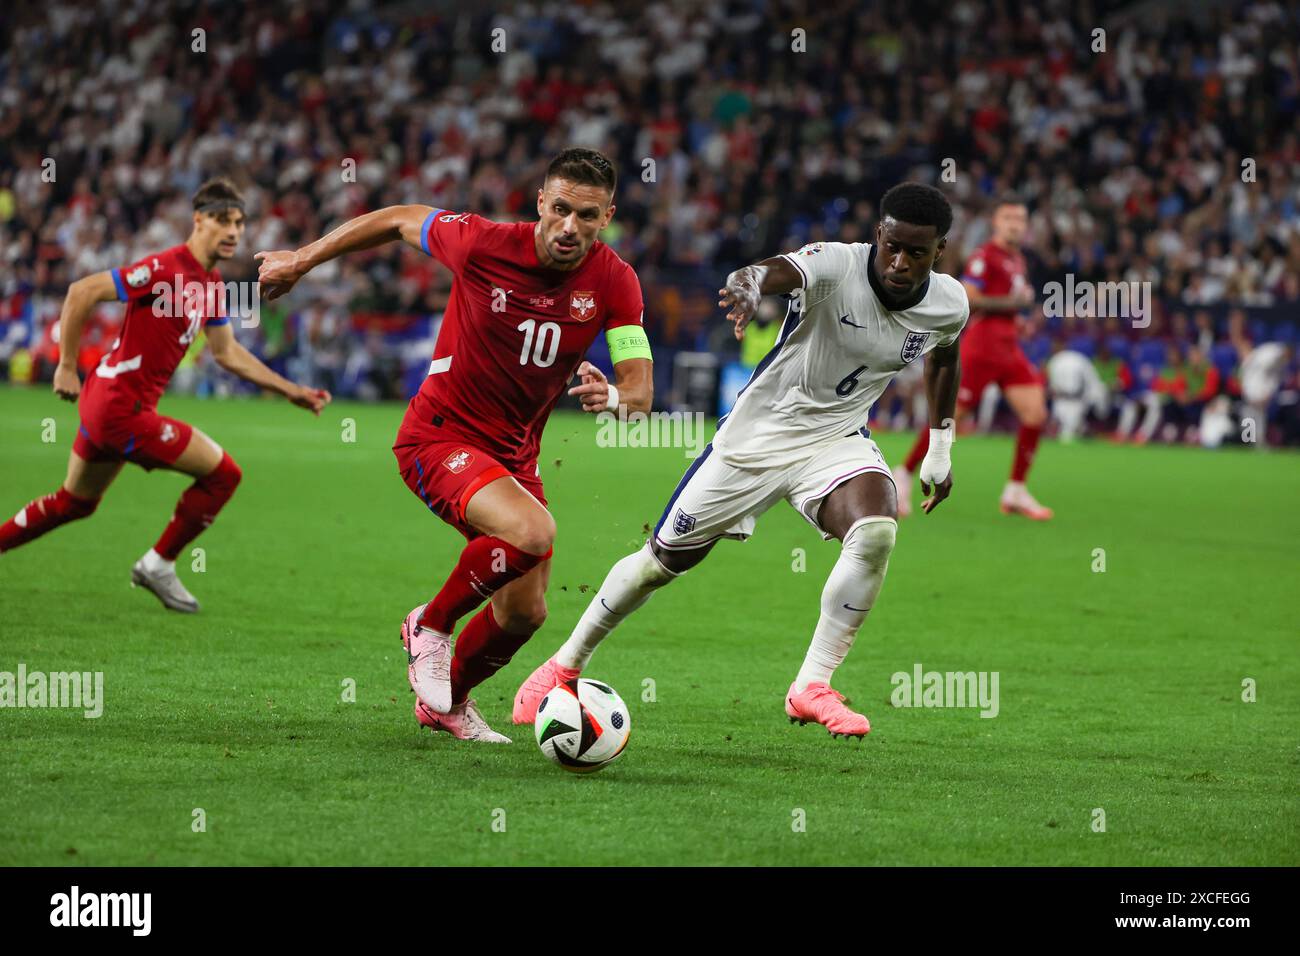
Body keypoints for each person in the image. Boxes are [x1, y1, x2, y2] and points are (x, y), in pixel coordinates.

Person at [513, 183, 968, 739]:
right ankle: (564, 664)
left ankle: (812, 686)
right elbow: (769, 271)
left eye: (916, 253)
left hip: (835, 439)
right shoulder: (835, 265)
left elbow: (946, 358)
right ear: (878, 234)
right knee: (660, 564)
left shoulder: (949, 303)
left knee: (876, 531)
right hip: (754, 441)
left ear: (938, 251)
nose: (899, 262)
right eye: (891, 245)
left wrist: (940, 449)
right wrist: (748, 286)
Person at [256, 148, 654, 743]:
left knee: (525, 612)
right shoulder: (480, 241)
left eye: (589, 216)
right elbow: (395, 219)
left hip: (513, 458)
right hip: (438, 436)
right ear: (541, 203)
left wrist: (616, 400)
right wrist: (302, 259)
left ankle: (446, 705)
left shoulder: (615, 281)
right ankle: (430, 625)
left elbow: (640, 393)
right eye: (562, 209)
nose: (571, 227)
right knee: (534, 533)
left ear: (608, 217)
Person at [0, 178, 330, 612]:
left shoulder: (211, 285)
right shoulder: (164, 269)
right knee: (223, 475)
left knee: (74, 503)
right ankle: (159, 563)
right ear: (198, 221)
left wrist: (292, 391)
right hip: (121, 407)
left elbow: (227, 352)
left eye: (239, 223)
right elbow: (82, 291)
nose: (233, 232)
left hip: (111, 404)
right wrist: (65, 364)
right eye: (222, 221)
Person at [895, 199, 1052, 519]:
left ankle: (1016, 490)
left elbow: (1005, 306)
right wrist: (1011, 303)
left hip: (1008, 348)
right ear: (996, 222)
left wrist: (1016, 318)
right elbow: (969, 298)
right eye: (1008, 217)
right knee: (949, 418)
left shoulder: (1018, 260)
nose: (1015, 224)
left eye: (1021, 219)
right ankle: (904, 474)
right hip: (981, 349)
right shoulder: (985, 257)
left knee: (1035, 413)